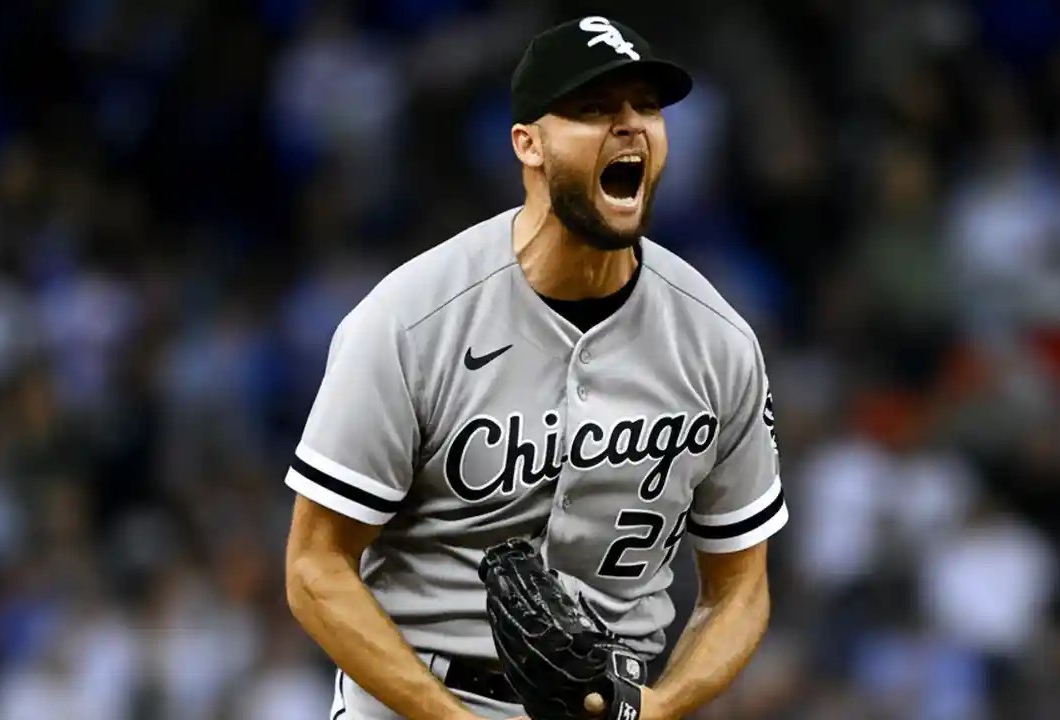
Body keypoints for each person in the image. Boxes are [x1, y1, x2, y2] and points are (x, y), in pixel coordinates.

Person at [283, 16, 788, 720]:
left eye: (645, 106)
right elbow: (313, 568)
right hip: (420, 700)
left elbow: (740, 587)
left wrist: (661, 708)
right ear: (529, 144)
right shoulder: (409, 321)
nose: (630, 126)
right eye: (593, 110)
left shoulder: (717, 342)